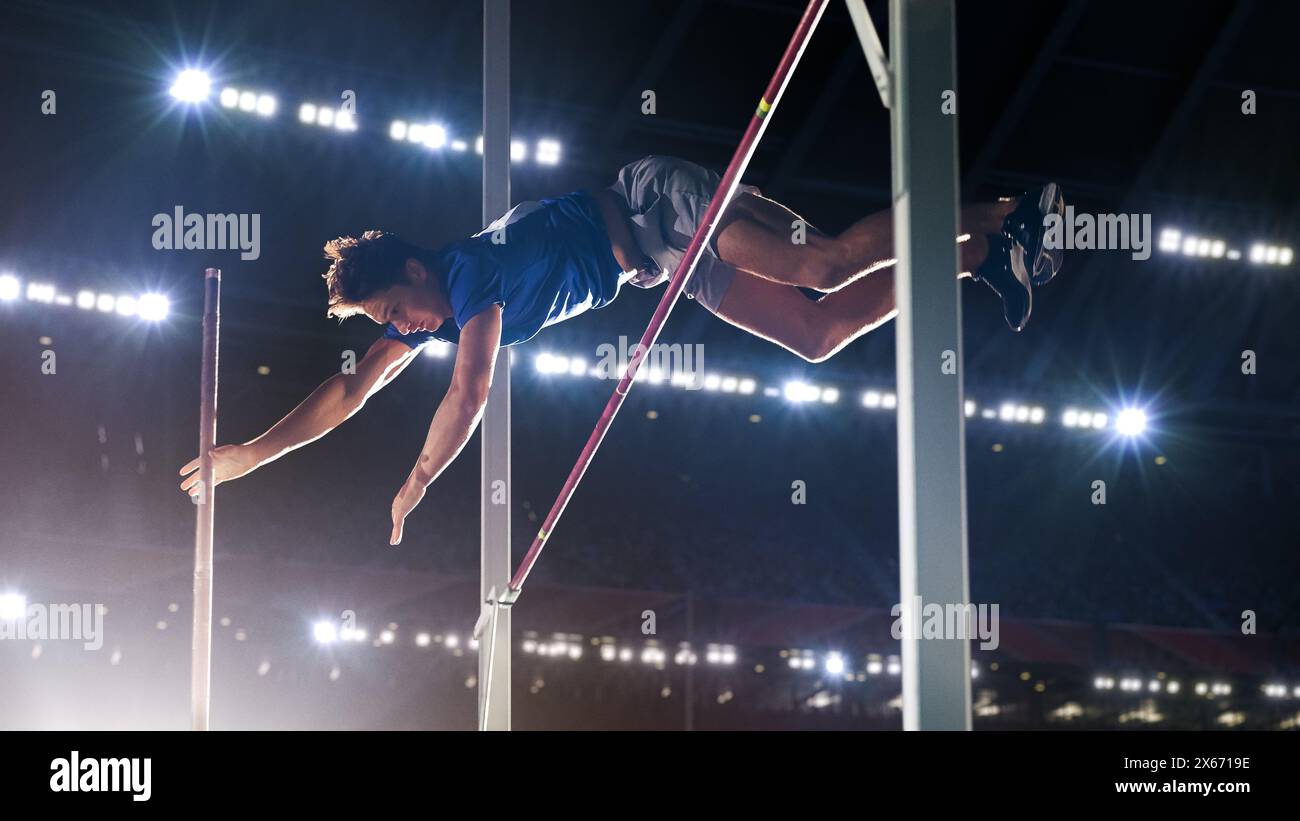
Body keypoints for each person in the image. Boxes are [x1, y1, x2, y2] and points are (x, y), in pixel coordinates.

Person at [179, 155, 1064, 544]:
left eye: (398, 309)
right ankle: (981, 255)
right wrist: (249, 455)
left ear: (414, 267)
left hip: (659, 208)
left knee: (822, 266)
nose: (402, 328)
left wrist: (416, 481)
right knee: (819, 333)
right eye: (393, 324)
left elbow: (472, 391)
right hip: (660, 261)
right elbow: (347, 395)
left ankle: (995, 213)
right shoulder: (429, 313)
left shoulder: (466, 277)